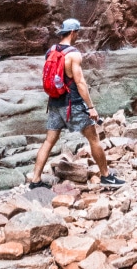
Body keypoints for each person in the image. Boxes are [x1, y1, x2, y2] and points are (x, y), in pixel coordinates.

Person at [30, 17, 124, 189]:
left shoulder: (51, 51)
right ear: (73, 32)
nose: (78, 35)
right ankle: (106, 176)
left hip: (54, 103)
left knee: (49, 141)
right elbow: (80, 83)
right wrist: (91, 107)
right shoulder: (73, 54)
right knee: (93, 138)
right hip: (72, 104)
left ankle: (35, 180)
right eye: (77, 32)